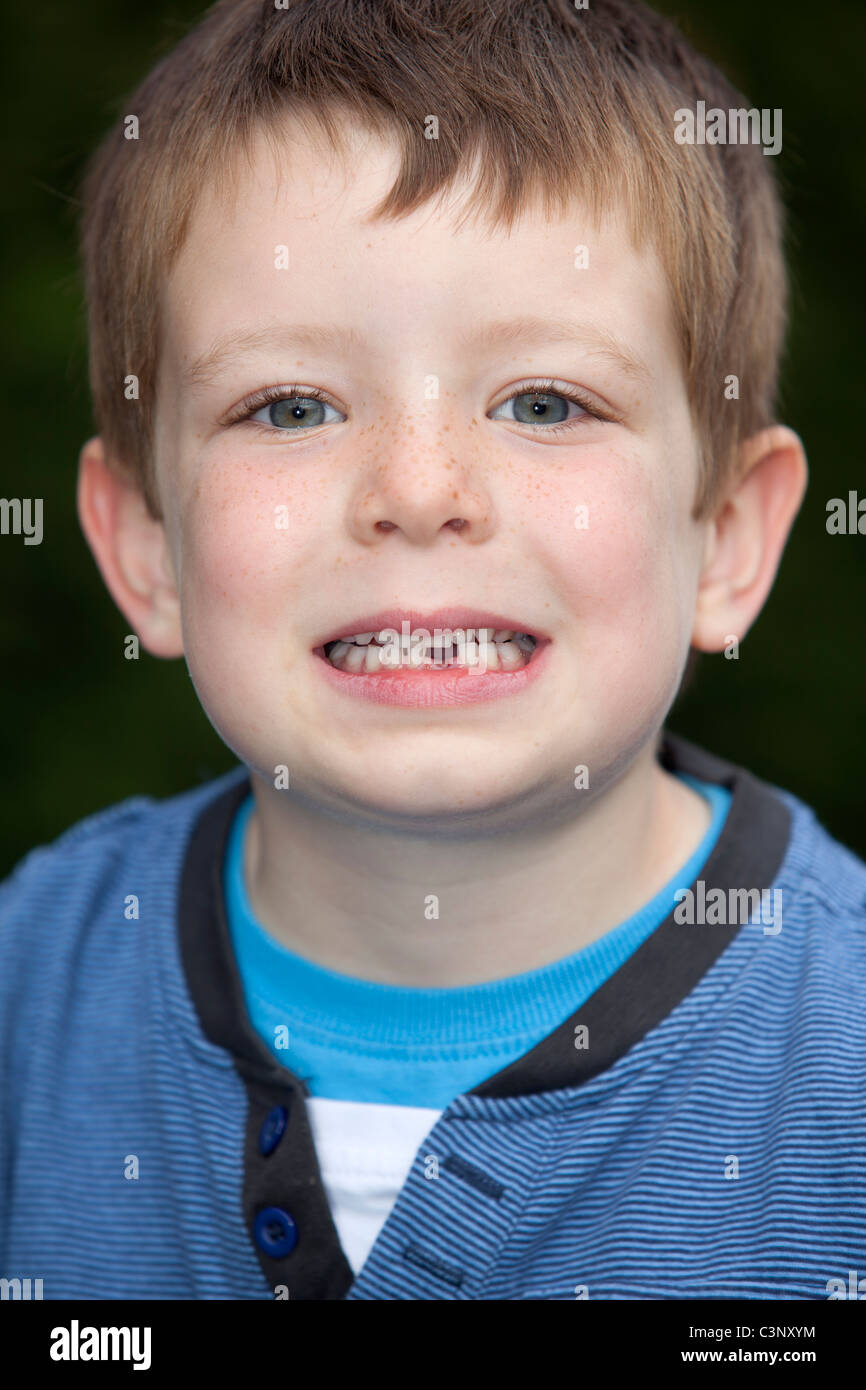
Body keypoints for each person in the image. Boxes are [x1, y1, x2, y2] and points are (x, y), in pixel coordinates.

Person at [1, 0, 863, 1301]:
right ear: (146, 548)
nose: (417, 488)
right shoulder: (30, 989)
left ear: (728, 539)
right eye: (290, 406)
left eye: (545, 401)